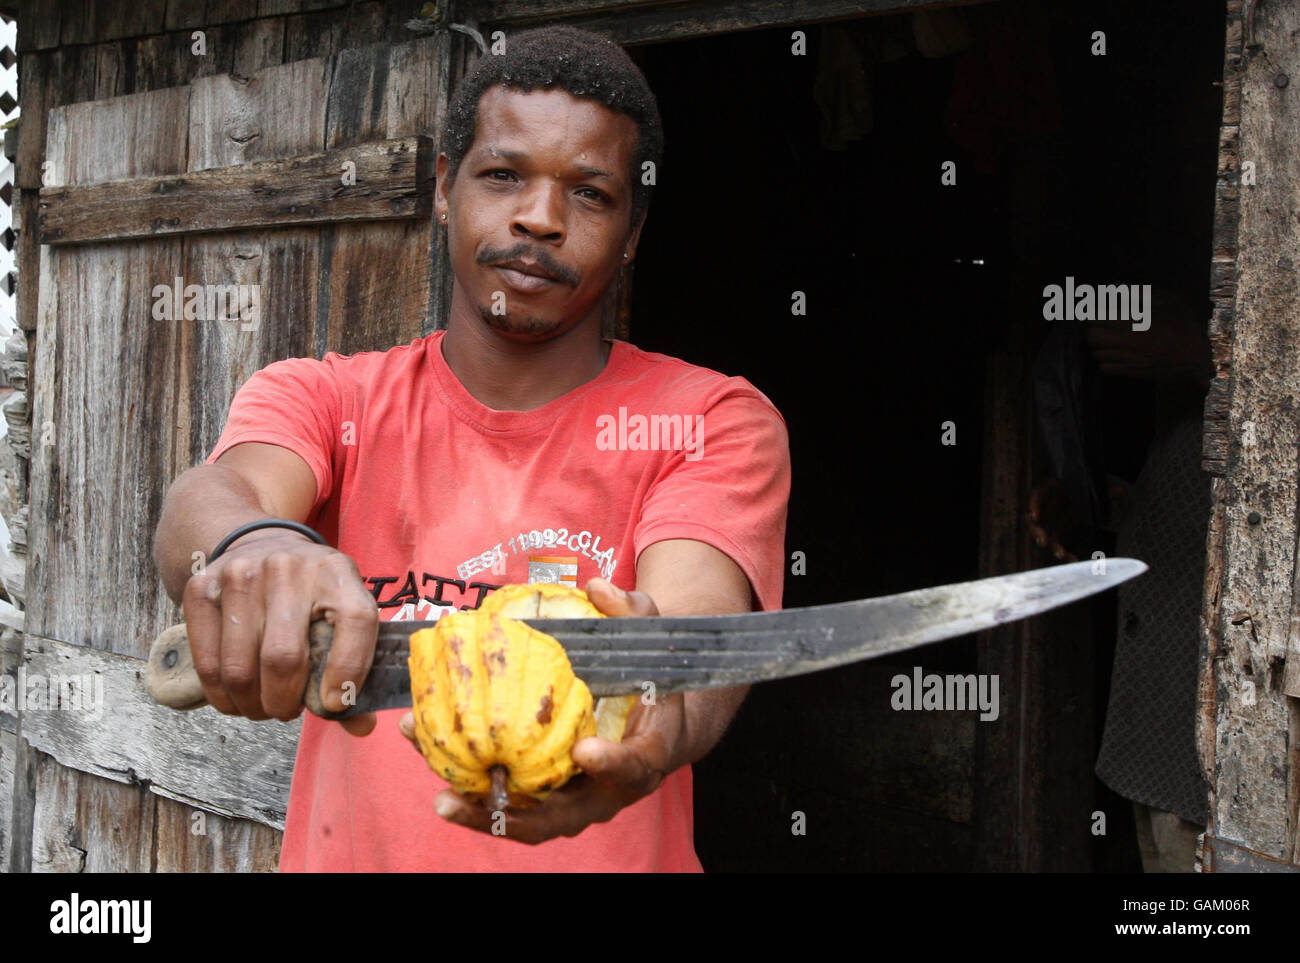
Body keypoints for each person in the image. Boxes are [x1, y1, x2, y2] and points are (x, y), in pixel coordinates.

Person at [151, 26, 791, 872]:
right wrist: (255, 545)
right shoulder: (329, 396)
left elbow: (694, 619)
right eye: (503, 175)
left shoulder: (709, 417)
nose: (540, 217)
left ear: (633, 233)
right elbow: (211, 498)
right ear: (446, 188)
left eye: (591, 195)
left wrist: (665, 704)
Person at [1028, 288, 1213, 873]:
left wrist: (1212, 354)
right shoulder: (1177, 395)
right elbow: (1195, 491)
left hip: (1224, 752)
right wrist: (1114, 516)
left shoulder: (1223, 350)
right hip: (1156, 726)